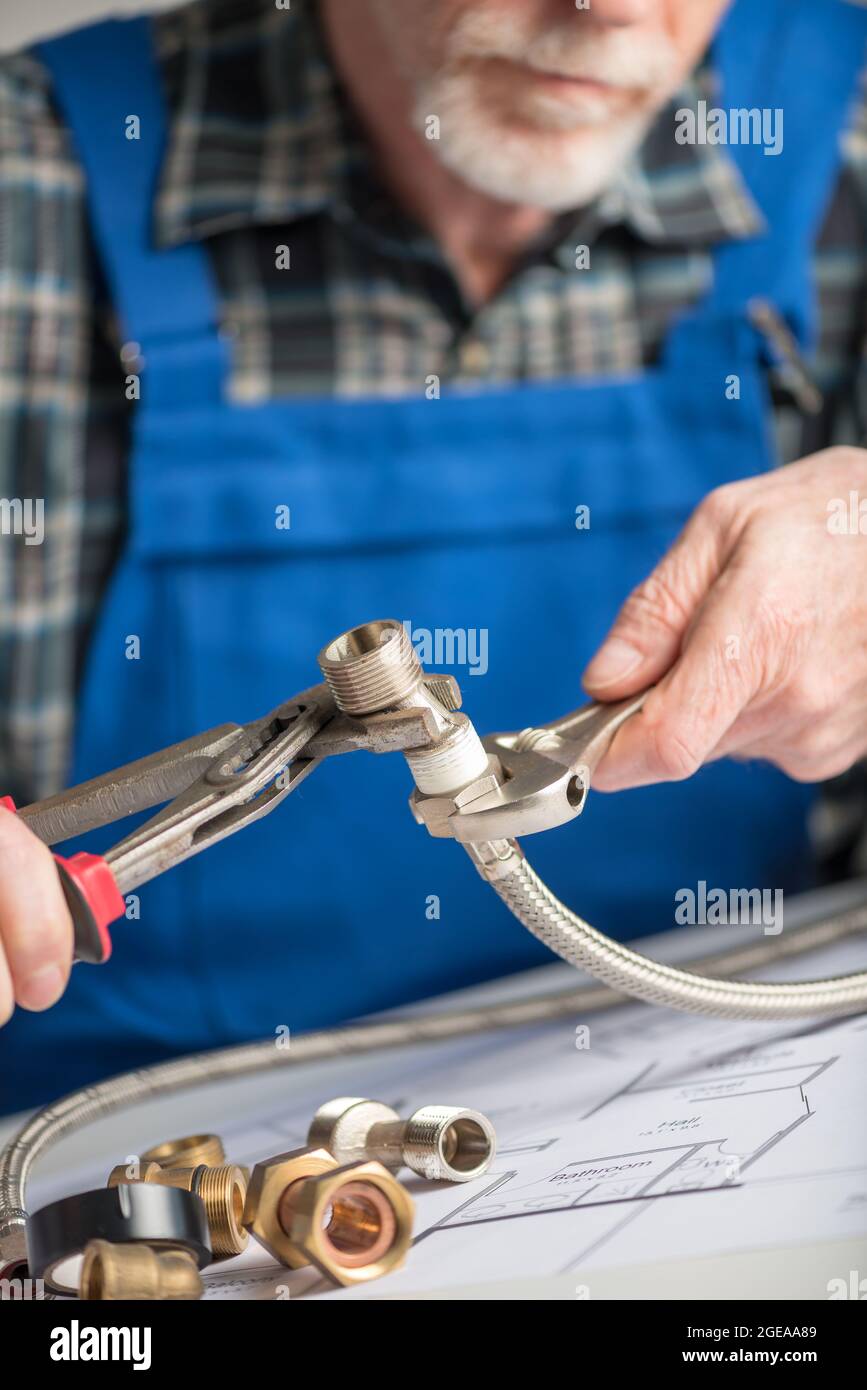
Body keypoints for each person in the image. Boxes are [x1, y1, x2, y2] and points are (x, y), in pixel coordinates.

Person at [1, 0, 866, 1112]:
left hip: (730, 1099)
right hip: (132, 1161)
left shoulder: (839, 131)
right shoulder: (34, 187)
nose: (608, 9)